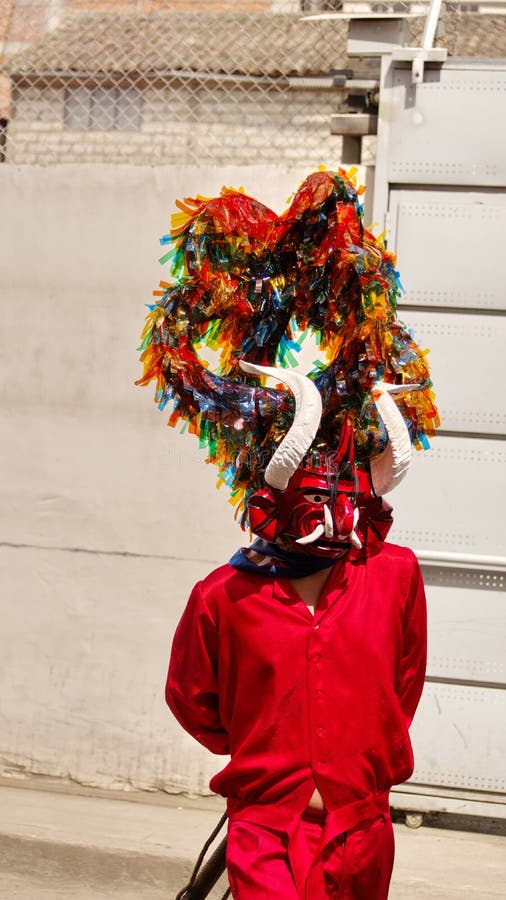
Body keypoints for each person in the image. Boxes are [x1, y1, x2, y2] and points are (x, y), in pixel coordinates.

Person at [137, 170, 439, 898]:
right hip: (265, 837)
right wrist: (271, 751)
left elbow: (402, 687)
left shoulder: (392, 575)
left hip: (361, 833)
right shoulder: (223, 596)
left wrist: (353, 754)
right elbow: (195, 701)